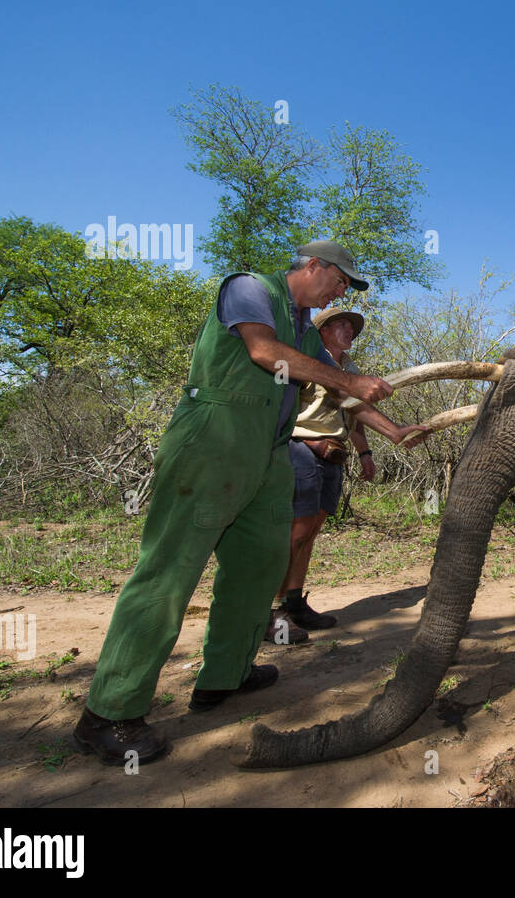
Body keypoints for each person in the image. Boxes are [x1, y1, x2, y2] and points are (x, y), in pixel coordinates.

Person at [73, 240, 392, 766]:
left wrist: (395, 430)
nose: (342, 291)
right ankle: (108, 713)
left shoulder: (306, 329)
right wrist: (349, 378)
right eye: (339, 280)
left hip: (267, 455)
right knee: (170, 572)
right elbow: (264, 353)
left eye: (347, 287)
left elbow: (338, 392)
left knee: (260, 564)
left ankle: (226, 673)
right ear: (313, 266)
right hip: (214, 440)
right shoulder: (249, 288)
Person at [269, 307, 430, 640]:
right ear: (322, 331)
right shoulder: (310, 361)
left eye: (351, 327)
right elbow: (346, 398)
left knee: (309, 534)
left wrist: (365, 453)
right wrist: (395, 432)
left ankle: (294, 603)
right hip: (302, 451)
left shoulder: (349, 369)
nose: (348, 330)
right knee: (295, 534)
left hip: (333, 456)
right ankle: (269, 613)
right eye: (340, 324)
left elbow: (351, 415)